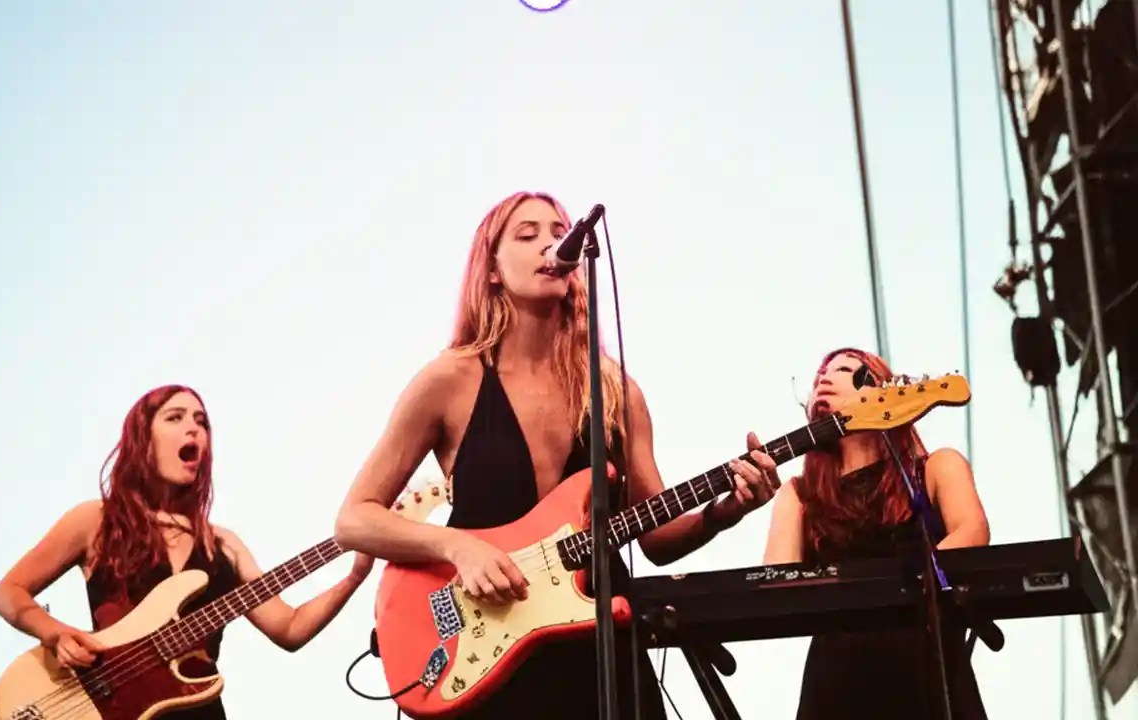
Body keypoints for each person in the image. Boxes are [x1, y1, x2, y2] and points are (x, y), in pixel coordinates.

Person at [333, 191, 780, 720]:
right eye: (527, 235)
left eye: (558, 230)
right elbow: (354, 519)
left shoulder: (614, 391)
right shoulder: (449, 381)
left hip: (597, 654)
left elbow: (656, 537)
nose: (551, 243)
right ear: (492, 270)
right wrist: (458, 548)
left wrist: (724, 511)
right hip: (485, 653)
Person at [0, 384, 371, 719]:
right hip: (107, 705)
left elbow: (289, 628)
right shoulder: (96, 520)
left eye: (202, 421)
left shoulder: (223, 545)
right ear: (144, 438)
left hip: (198, 712)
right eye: (175, 417)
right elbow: (7, 593)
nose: (195, 428)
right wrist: (57, 634)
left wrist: (355, 574)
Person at [762, 348, 991, 719]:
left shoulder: (935, 467)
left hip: (925, 659)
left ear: (880, 388)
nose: (824, 378)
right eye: (821, 372)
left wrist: (905, 588)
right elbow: (776, 580)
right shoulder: (799, 494)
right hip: (837, 678)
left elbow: (973, 530)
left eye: (844, 370)